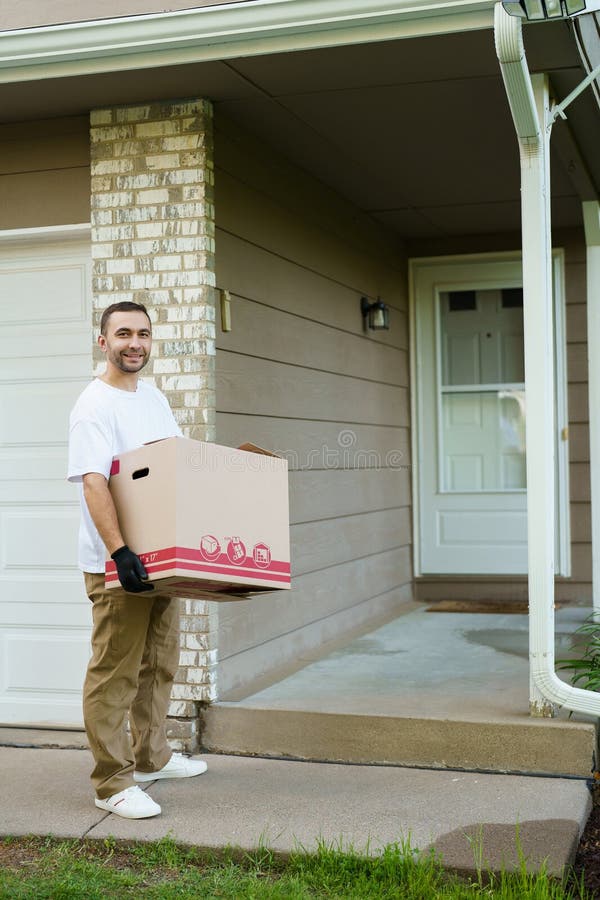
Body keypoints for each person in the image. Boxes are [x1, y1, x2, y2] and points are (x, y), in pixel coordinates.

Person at [68, 300, 207, 820]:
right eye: (123, 333)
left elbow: (167, 463)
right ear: (103, 341)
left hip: (159, 556)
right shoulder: (94, 404)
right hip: (117, 562)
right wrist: (119, 550)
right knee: (115, 672)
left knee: (159, 663)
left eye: (143, 334)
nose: (135, 343)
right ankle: (111, 782)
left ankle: (152, 757)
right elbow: (93, 480)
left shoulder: (151, 396)